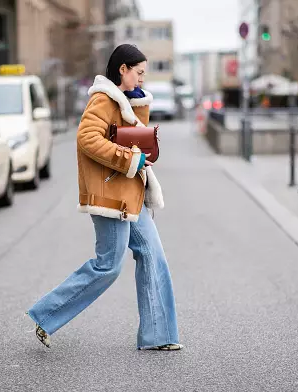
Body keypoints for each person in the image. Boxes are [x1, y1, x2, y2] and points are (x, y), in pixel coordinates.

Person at [25, 44, 182, 351]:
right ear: (122, 69)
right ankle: (47, 314)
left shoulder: (126, 100)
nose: (141, 80)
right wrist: (129, 159)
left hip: (130, 193)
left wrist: (137, 112)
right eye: (138, 73)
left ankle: (157, 336)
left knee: (153, 256)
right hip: (111, 196)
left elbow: (124, 134)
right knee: (108, 265)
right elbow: (86, 138)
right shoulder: (103, 99)